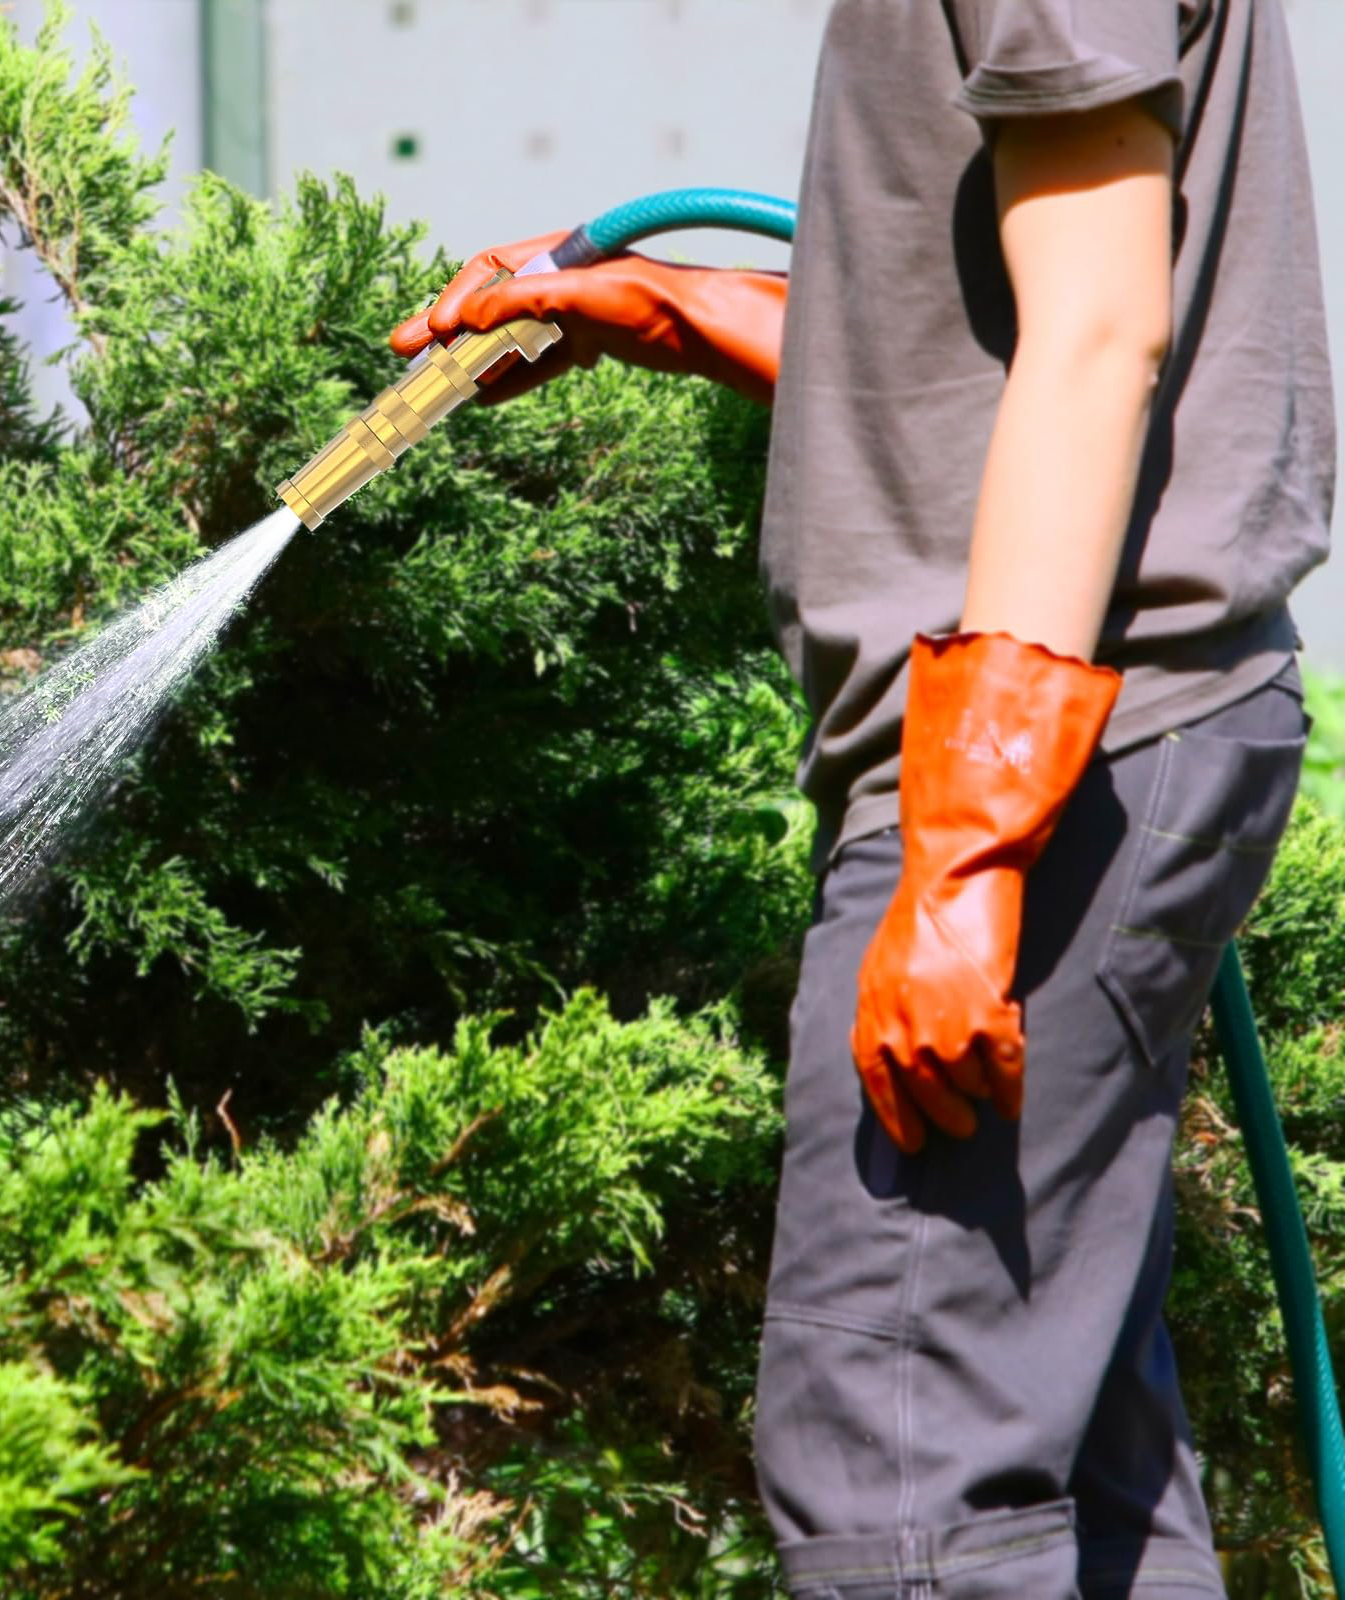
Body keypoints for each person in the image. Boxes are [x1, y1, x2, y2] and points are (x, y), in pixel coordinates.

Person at [388, 1, 1335, 1594]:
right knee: (1090, 1470)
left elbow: (1101, 329)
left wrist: (968, 861)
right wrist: (681, 309)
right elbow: (986, 337)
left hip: (1037, 766)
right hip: (1086, 745)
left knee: (899, 1468)